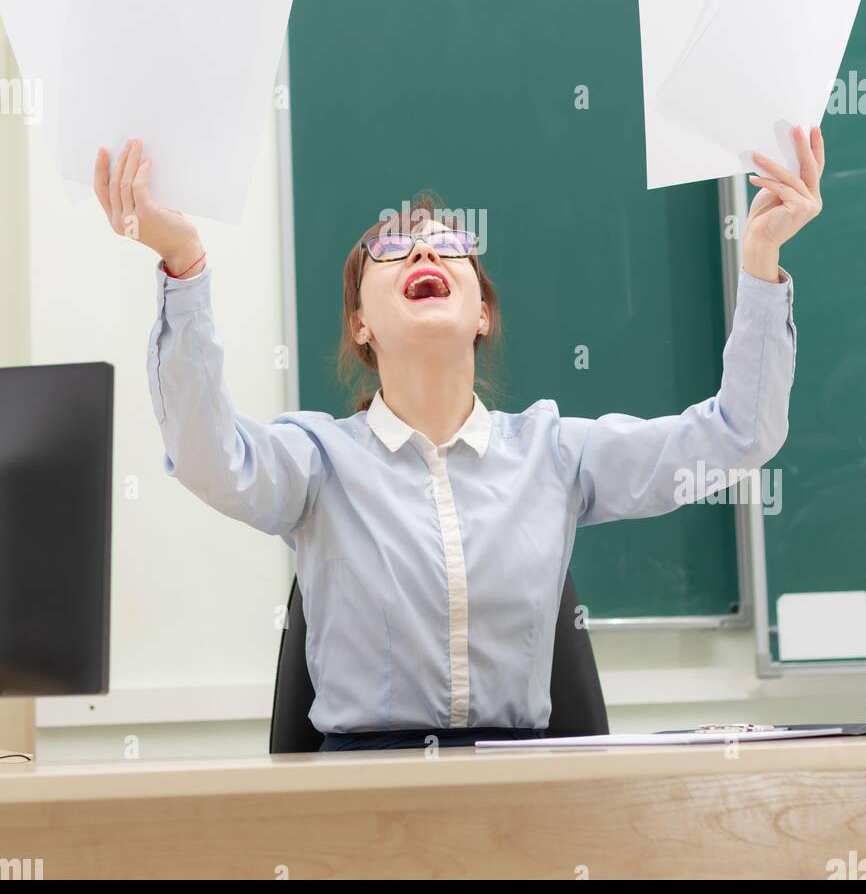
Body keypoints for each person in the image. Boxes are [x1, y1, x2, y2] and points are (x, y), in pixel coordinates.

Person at [93, 127, 822, 752]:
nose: (424, 256)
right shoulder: (316, 463)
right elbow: (205, 455)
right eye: (394, 250)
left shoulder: (556, 455)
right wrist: (184, 262)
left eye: (449, 247)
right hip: (359, 811)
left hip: (525, 807)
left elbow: (738, 435)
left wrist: (759, 259)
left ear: (482, 314)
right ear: (361, 326)